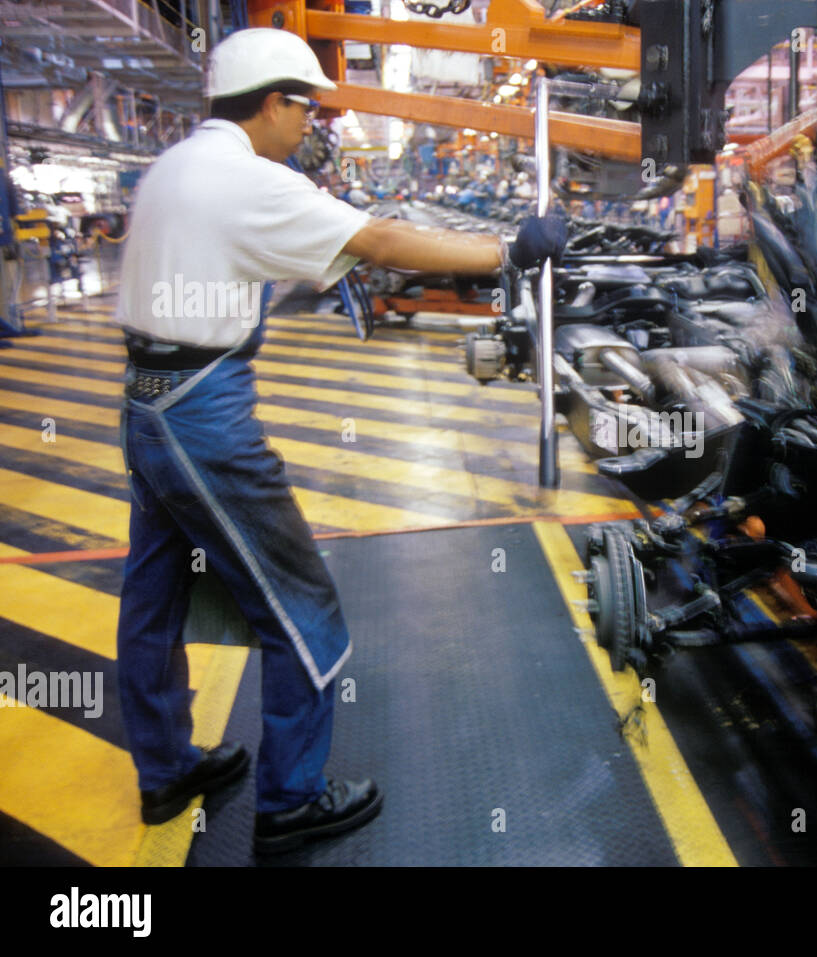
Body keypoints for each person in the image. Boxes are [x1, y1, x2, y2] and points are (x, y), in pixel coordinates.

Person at [114, 27, 565, 854]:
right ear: (273, 101)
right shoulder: (246, 178)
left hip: (143, 404)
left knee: (154, 600)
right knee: (299, 603)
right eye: (305, 107)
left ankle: (165, 767)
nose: (308, 125)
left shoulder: (176, 166)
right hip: (201, 416)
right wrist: (510, 248)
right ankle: (291, 798)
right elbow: (380, 240)